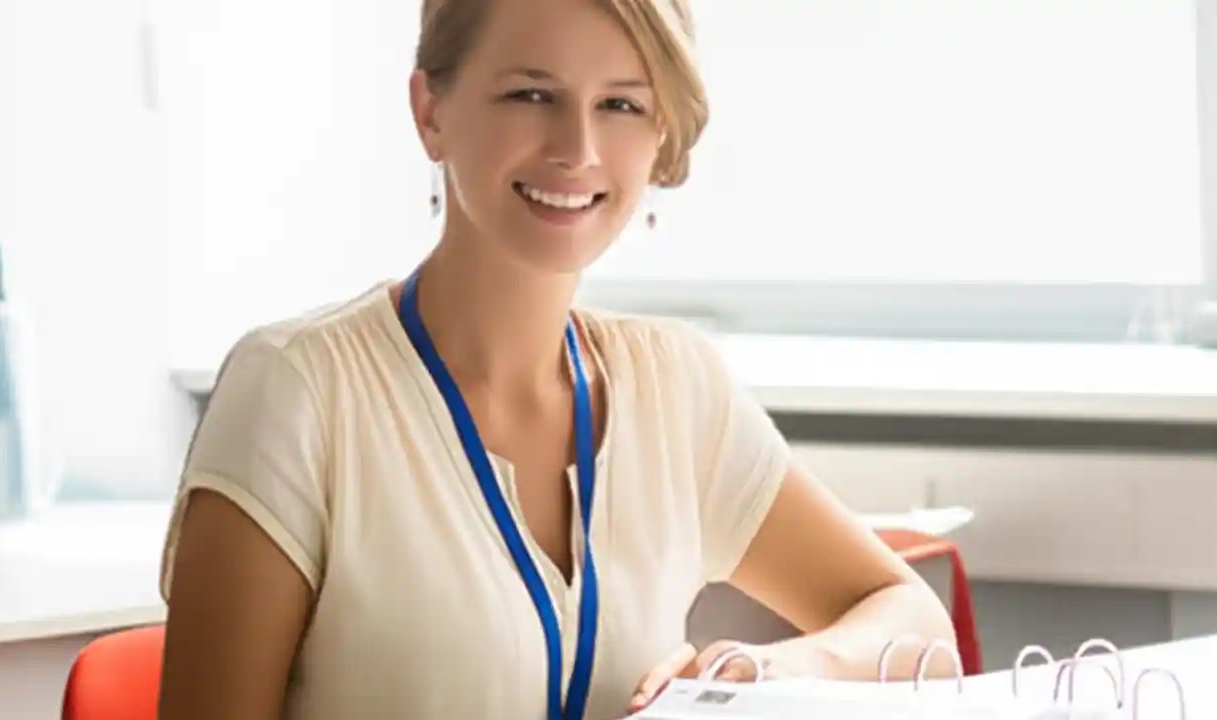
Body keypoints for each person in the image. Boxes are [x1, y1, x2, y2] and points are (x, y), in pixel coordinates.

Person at [156, 0, 958, 717]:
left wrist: (772, 670)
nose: (577, 148)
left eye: (620, 105)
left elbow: (913, 620)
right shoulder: (297, 393)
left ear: (658, 135)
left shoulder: (677, 391)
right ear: (430, 110)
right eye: (531, 95)